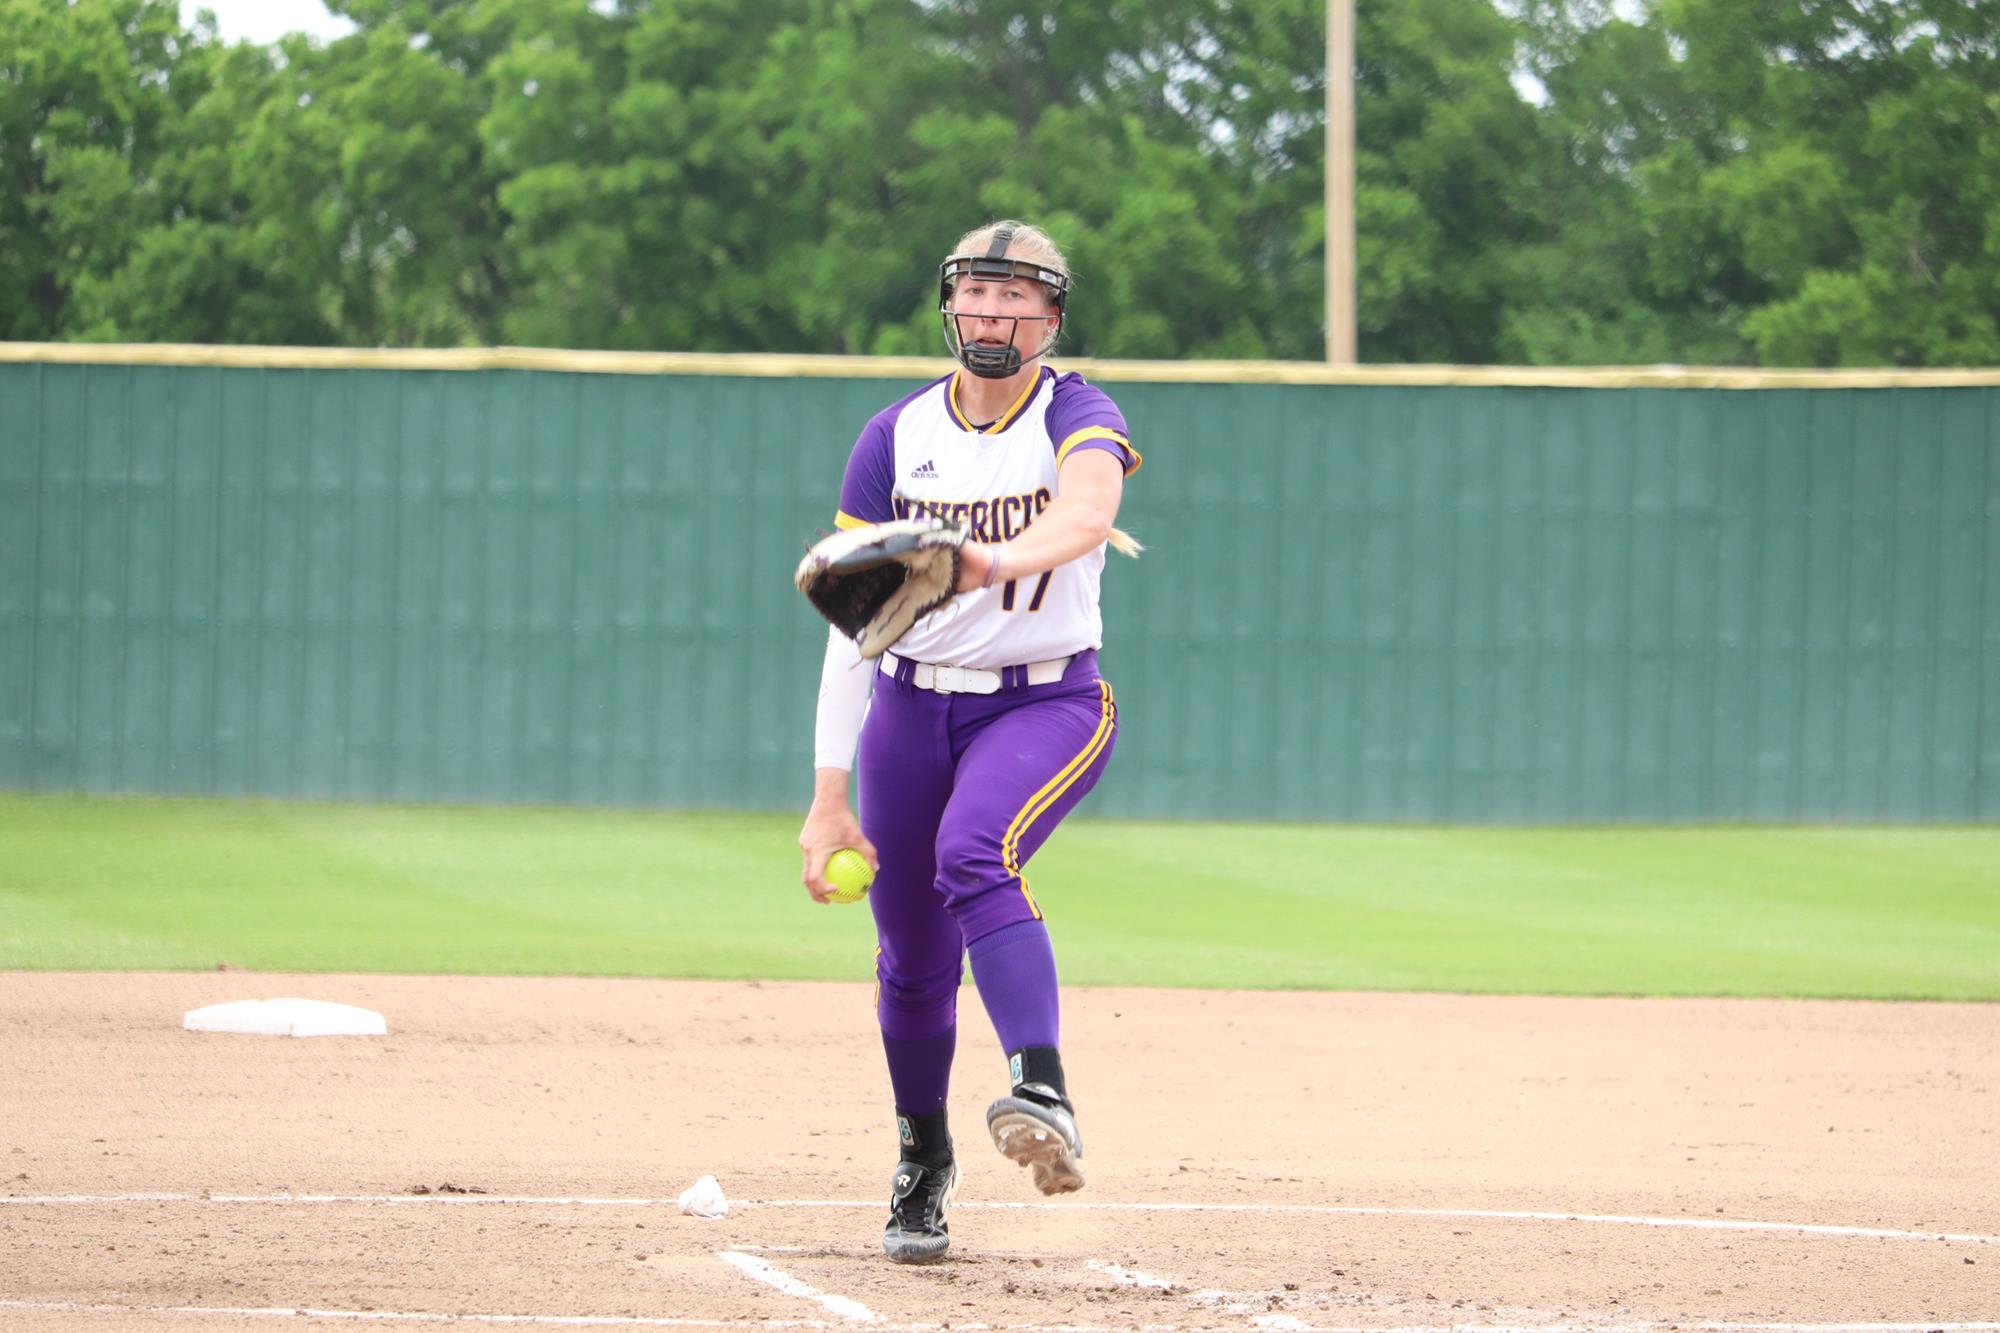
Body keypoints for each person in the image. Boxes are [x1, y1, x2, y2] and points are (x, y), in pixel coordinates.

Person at [796, 220, 1142, 1264]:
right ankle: (922, 1158)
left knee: (968, 853)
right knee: (908, 960)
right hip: (908, 707)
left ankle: (1040, 1082)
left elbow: (1087, 512)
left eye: (1017, 297)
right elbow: (858, 623)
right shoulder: (894, 436)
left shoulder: (1075, 411)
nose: (994, 314)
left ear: (1050, 317)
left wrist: (987, 562)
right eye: (977, 294)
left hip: (1044, 704)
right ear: (948, 304)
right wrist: (826, 793)